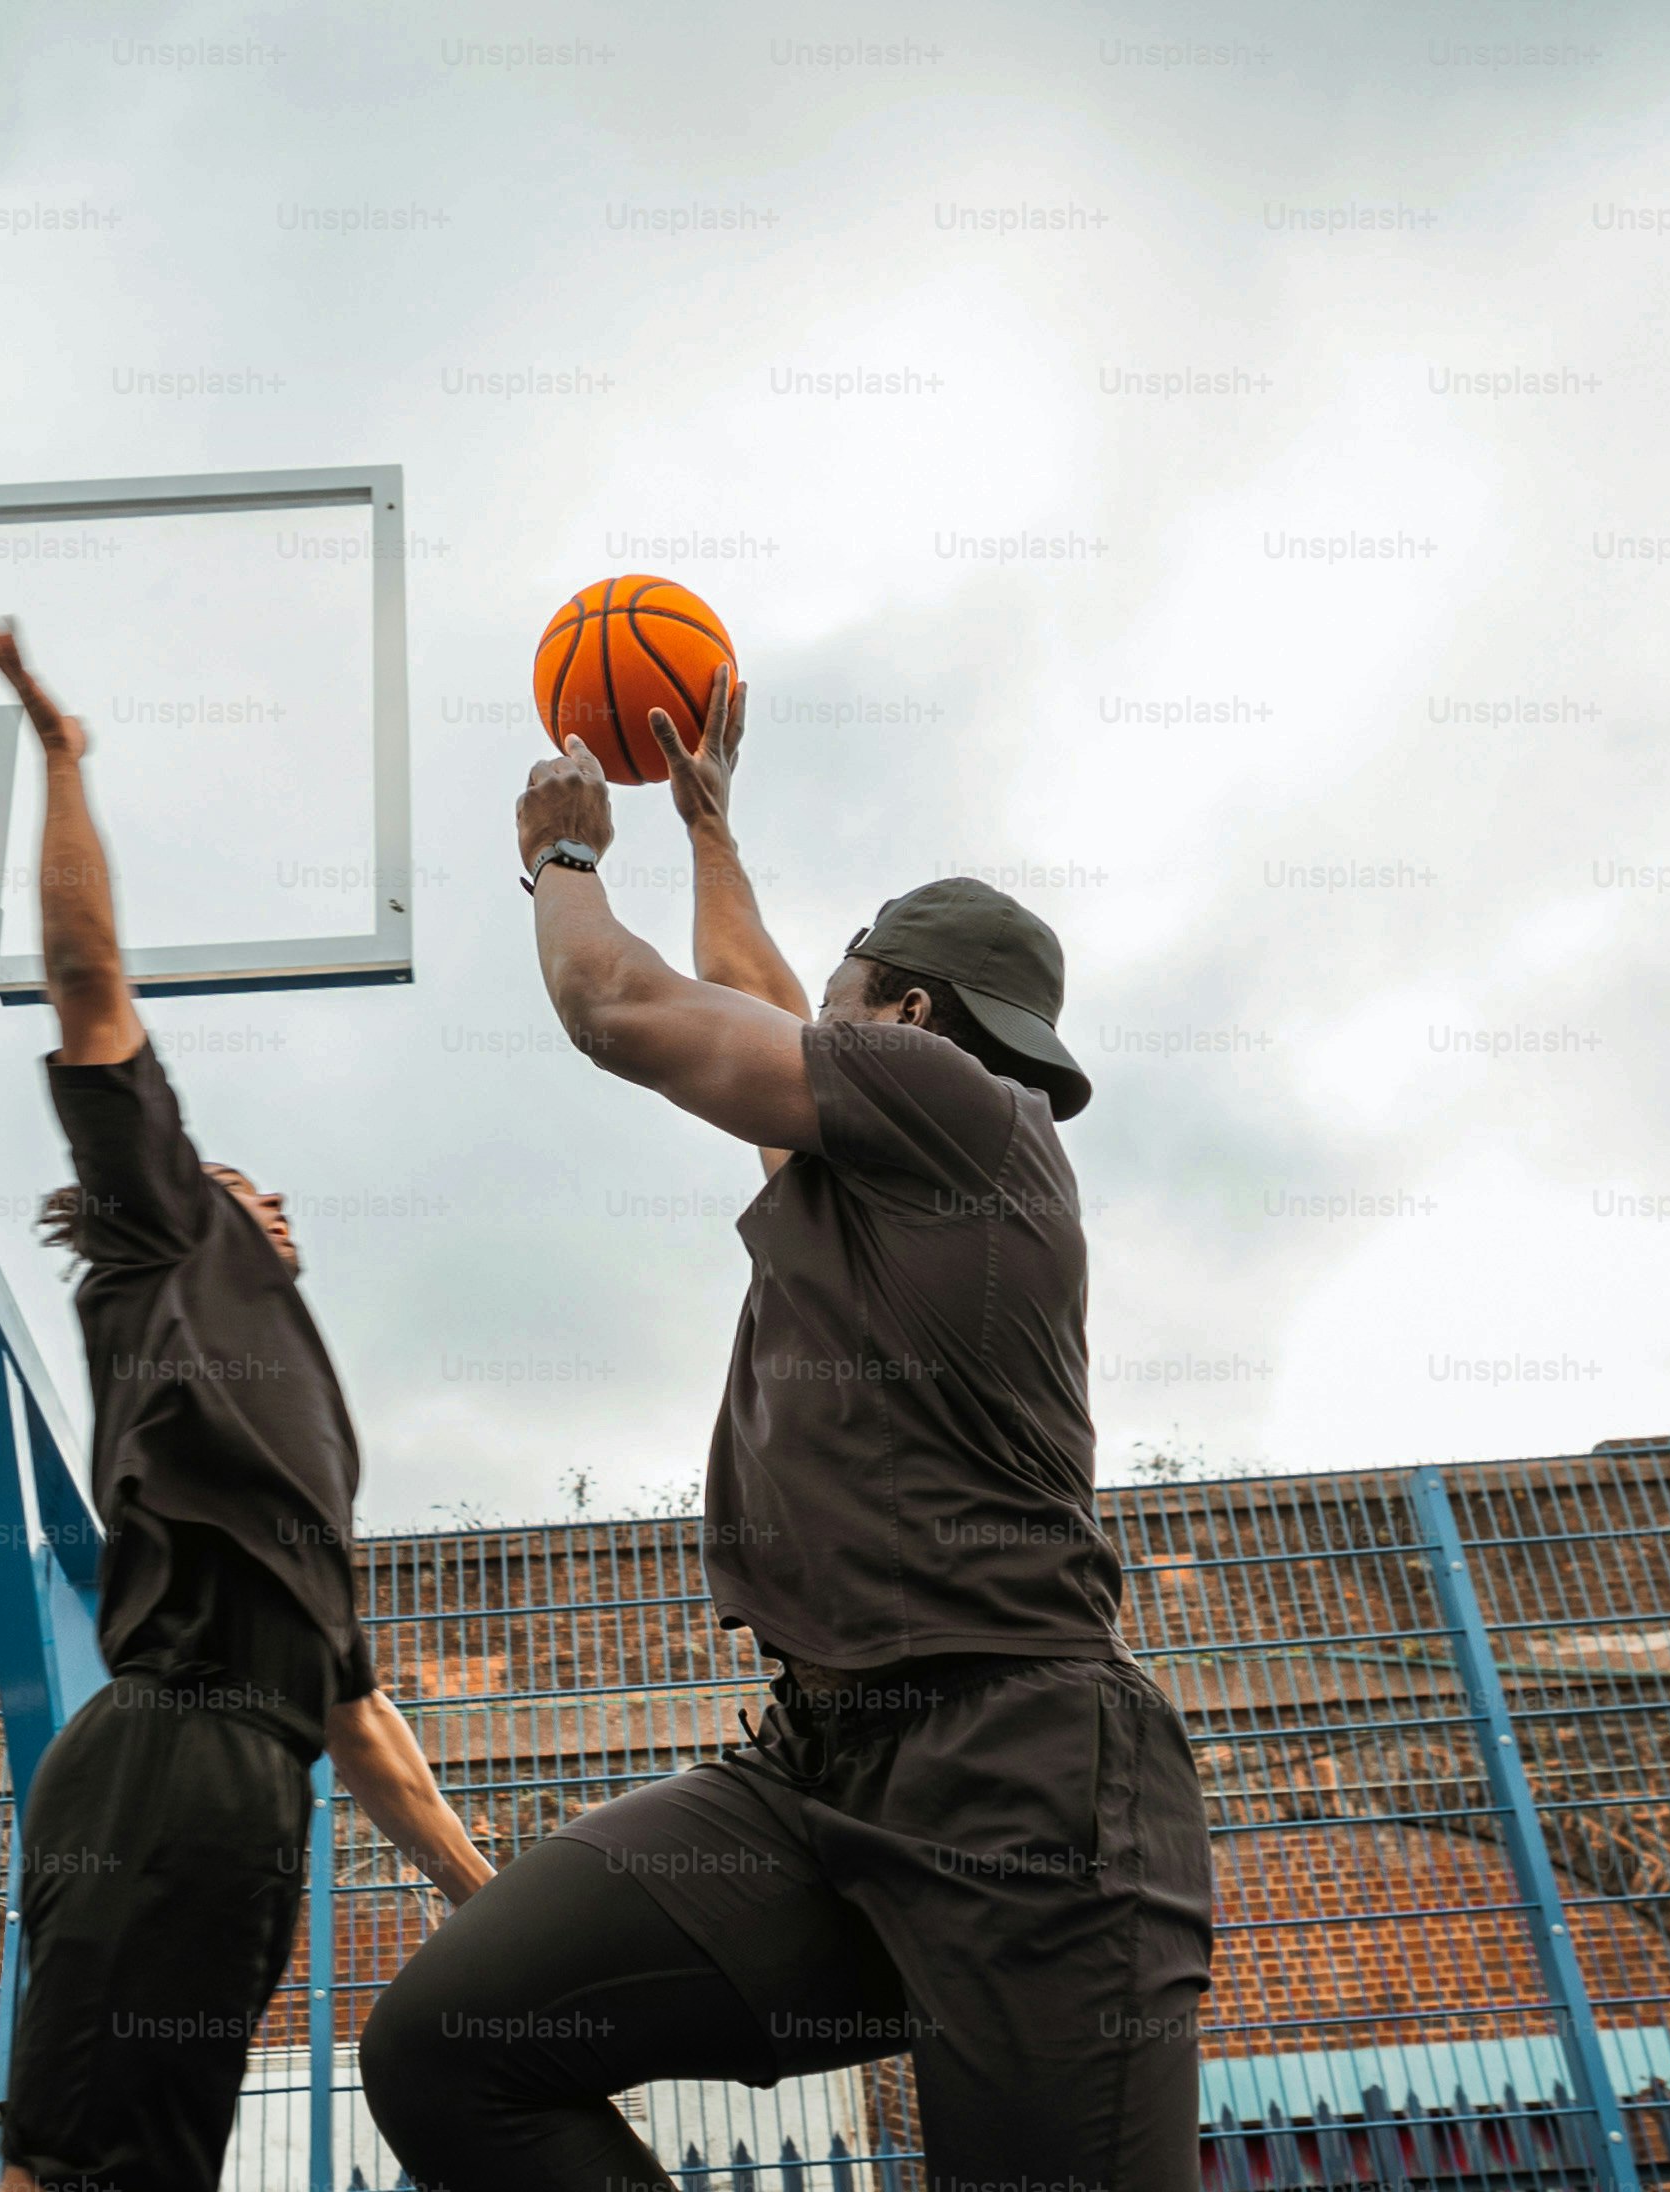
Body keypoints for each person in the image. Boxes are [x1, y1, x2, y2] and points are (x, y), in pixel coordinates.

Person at [360, 674, 1211, 2192]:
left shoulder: (955, 1109)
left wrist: (562, 858)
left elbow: (617, 1006)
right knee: (452, 2042)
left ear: (911, 1017)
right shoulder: (896, 1155)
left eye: (842, 988)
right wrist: (710, 828)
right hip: (819, 1777)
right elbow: (757, 990)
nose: (803, 1015)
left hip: (1026, 1787)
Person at [0, 614, 495, 2192]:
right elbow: (86, 977)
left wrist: (485, 1888)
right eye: (246, 1180)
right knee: (87, 2163)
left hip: (256, 1784)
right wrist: (64, 764)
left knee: (155, 2157)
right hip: (168, 1757)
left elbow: (356, 1714)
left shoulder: (305, 1422)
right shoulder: (158, 1235)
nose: (277, 1203)